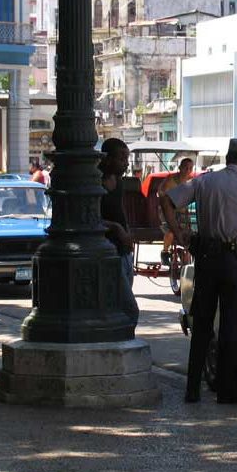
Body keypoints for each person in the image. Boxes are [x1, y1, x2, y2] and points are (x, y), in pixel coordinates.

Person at [160, 137, 237, 405]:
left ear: (229, 158)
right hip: (234, 263)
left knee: (203, 325)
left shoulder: (205, 182)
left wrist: (178, 231)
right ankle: (227, 392)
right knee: (232, 326)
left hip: (206, 259)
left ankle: (192, 389)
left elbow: (166, 201)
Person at [99, 138, 140, 332]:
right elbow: (88, 219)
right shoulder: (95, 181)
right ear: (107, 159)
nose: (126, 163)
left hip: (123, 250)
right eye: (122, 158)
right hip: (107, 252)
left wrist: (127, 230)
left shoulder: (119, 181)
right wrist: (116, 228)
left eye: (127, 158)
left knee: (120, 306)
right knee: (130, 310)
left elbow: (120, 209)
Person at [158, 157, 194, 266]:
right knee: (170, 233)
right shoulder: (170, 180)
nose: (187, 171)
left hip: (183, 214)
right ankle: (165, 252)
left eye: (190, 168)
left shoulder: (191, 182)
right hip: (168, 212)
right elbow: (161, 193)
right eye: (185, 168)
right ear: (180, 168)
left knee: (190, 235)